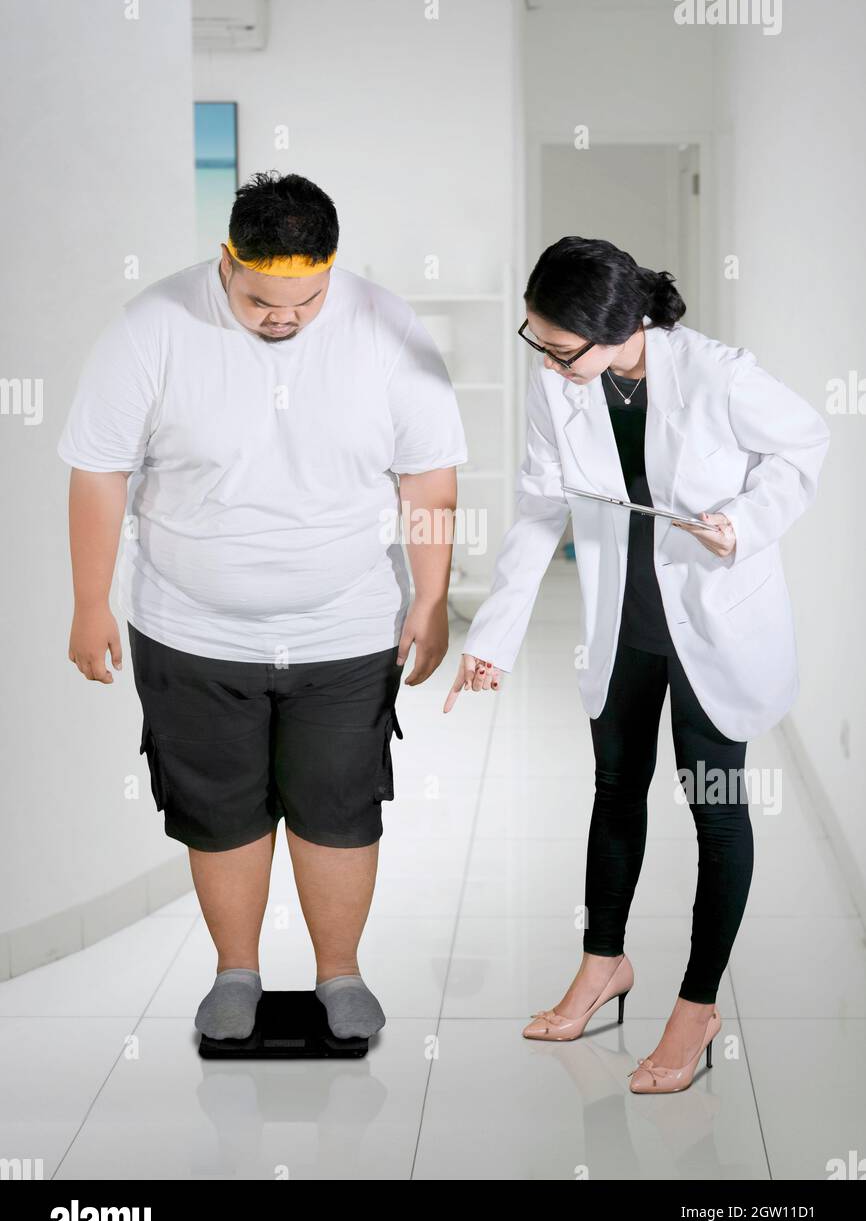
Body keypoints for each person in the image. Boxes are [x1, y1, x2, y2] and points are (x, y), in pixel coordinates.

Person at [57, 171, 467, 1043]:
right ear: (225, 262)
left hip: (346, 628)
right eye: (259, 302)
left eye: (306, 301)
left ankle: (340, 975)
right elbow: (98, 470)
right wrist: (90, 600)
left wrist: (431, 595)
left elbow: (429, 472)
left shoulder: (387, 328)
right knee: (220, 808)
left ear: (332, 271)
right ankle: (234, 973)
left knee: (340, 805)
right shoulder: (150, 329)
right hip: (190, 629)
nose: (283, 318)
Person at [443, 235, 830, 1094]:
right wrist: (493, 638)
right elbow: (542, 508)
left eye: (560, 345)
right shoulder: (560, 383)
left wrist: (746, 520)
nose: (546, 359)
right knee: (615, 789)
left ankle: (695, 1008)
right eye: (536, 339)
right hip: (622, 622)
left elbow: (806, 442)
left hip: (711, 620)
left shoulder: (717, 375)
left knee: (716, 808)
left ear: (619, 327)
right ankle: (603, 964)